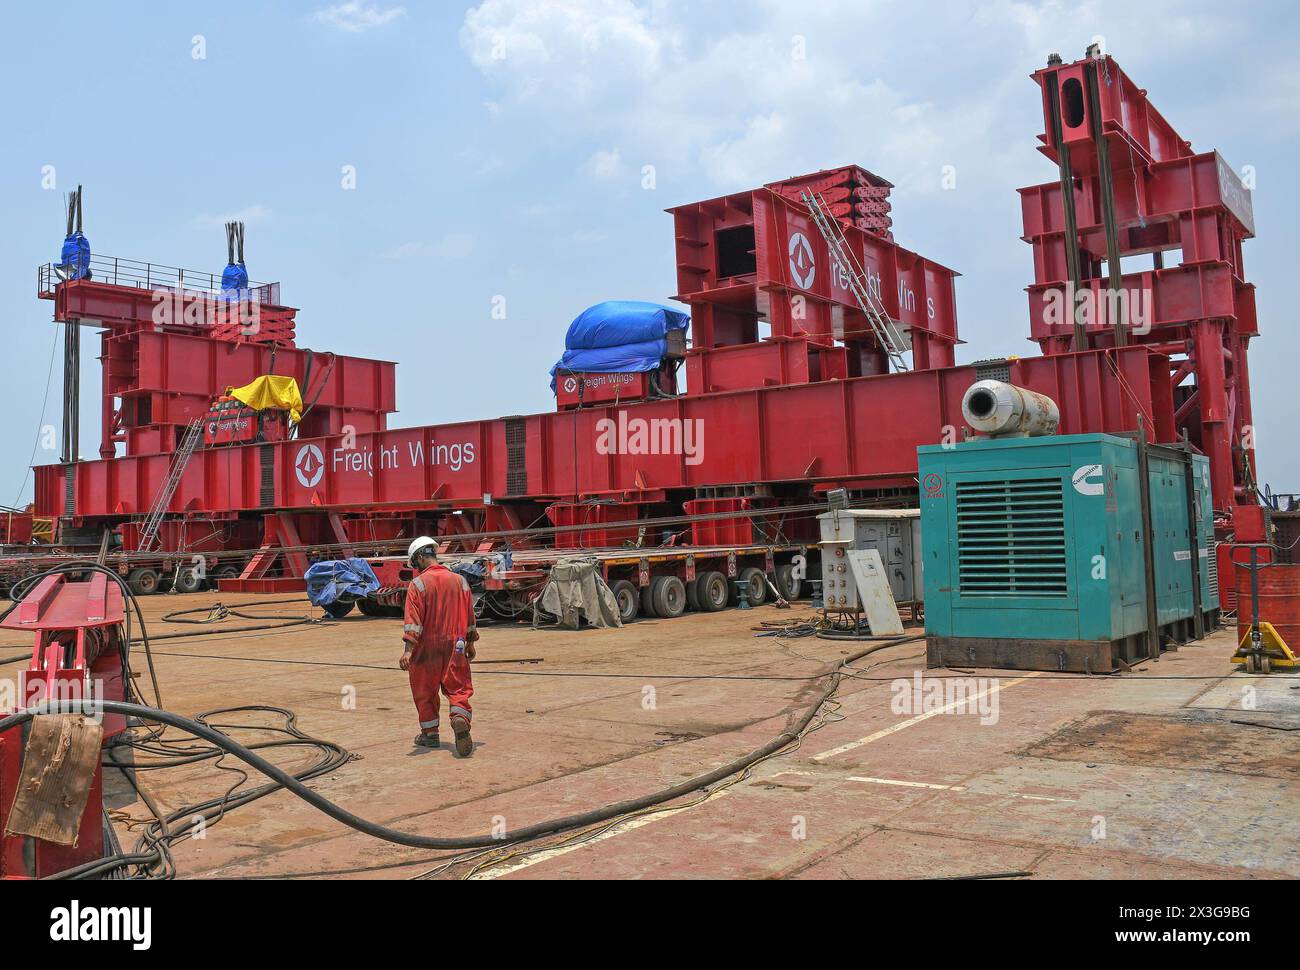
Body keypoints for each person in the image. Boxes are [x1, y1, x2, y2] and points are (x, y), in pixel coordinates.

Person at [400, 536, 478, 756]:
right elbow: (470, 617)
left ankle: (430, 734)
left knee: (424, 690)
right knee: (459, 686)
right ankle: (460, 718)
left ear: (418, 558)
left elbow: (413, 622)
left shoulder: (418, 585)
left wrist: (408, 651)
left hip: (426, 647)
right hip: (458, 645)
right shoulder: (459, 581)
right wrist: (470, 642)